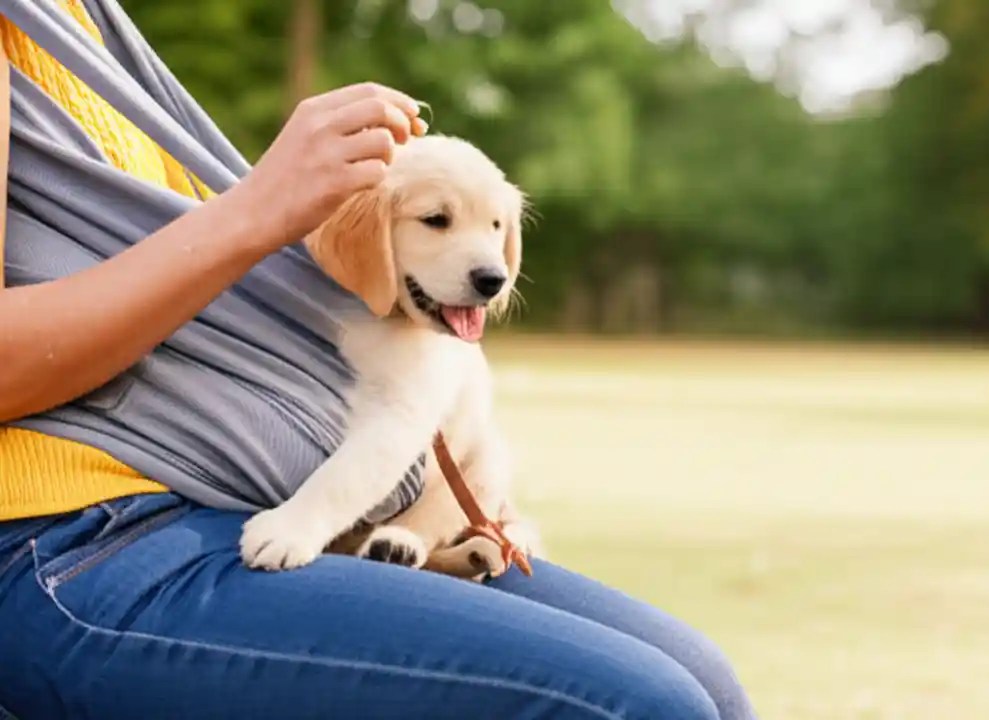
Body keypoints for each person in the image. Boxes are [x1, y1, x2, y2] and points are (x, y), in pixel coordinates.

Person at [0, 2, 754, 718]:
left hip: (227, 506)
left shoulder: (89, 27)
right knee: (643, 707)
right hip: (70, 540)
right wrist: (260, 207)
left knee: (707, 686)